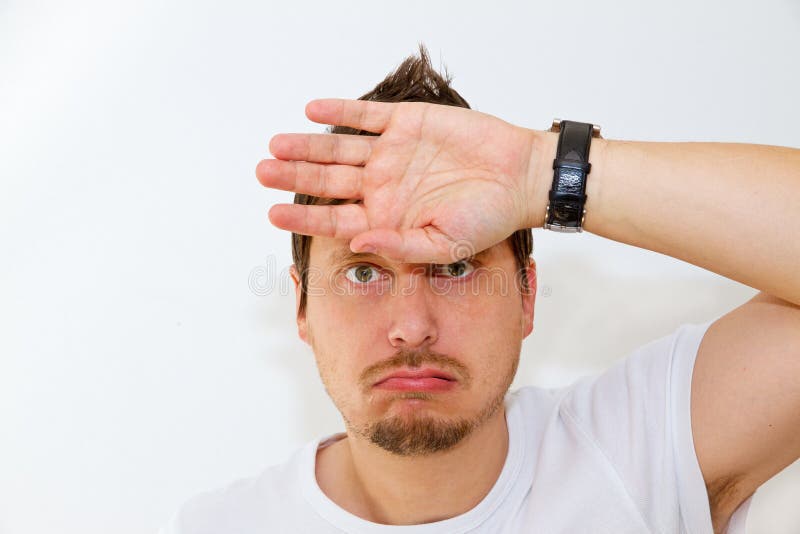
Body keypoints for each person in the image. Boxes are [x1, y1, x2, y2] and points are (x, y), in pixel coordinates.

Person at [161, 46, 800, 533]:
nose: (412, 326)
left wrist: (541, 171)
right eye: (363, 272)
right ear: (301, 307)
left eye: (457, 267)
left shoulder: (640, 452)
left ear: (526, 294)